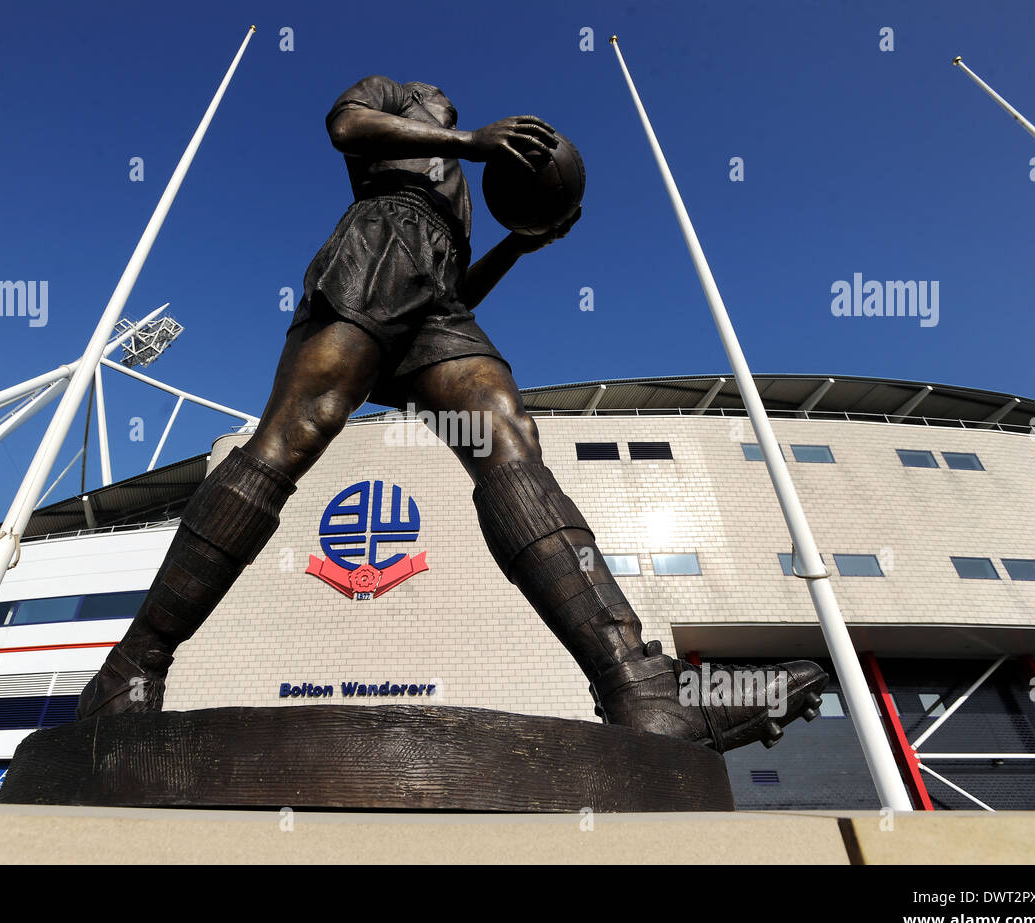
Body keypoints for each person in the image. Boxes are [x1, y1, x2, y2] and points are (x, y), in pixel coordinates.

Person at [76, 74, 827, 751]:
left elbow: (457, 292)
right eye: (450, 112)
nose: (453, 103)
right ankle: (128, 673)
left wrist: (520, 245)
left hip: (436, 295)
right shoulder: (398, 98)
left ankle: (640, 688)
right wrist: (469, 141)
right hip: (379, 244)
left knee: (507, 435)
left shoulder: (460, 186)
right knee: (294, 432)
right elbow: (345, 126)